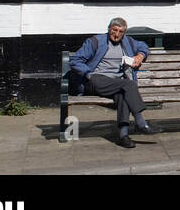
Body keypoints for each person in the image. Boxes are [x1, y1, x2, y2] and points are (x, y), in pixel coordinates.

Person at [69, 18, 162, 148]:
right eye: (114, 30)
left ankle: (123, 136)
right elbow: (74, 60)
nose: (117, 34)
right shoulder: (95, 41)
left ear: (124, 33)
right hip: (95, 80)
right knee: (128, 84)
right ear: (109, 29)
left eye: (121, 31)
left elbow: (143, 46)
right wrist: (88, 74)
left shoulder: (128, 41)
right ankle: (141, 123)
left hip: (116, 83)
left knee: (123, 94)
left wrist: (140, 55)